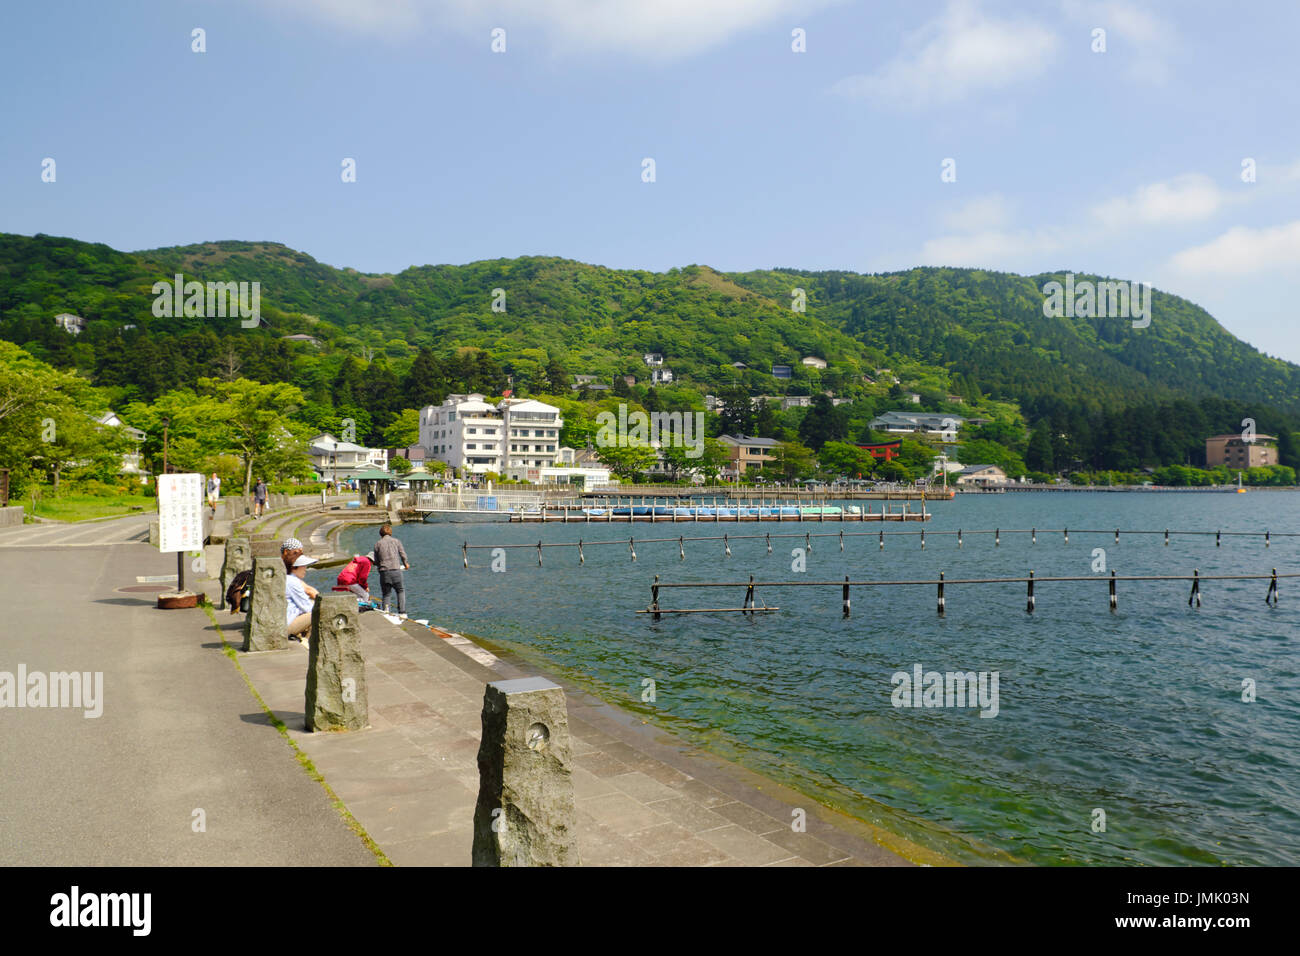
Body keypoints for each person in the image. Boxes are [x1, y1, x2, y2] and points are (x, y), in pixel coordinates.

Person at [374, 524, 410, 617]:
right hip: (396, 570)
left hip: (384, 572)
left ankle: (386, 612)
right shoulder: (396, 541)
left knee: (386, 594)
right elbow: (403, 554)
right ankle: (402, 612)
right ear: (390, 532)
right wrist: (406, 563)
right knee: (400, 591)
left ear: (380, 533)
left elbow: (376, 561)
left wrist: (380, 567)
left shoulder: (377, 544)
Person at [285, 554, 319, 642]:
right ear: (295, 567)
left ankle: (304, 640)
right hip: (285, 626)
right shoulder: (293, 582)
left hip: (283, 622)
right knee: (318, 613)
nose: (305, 569)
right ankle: (309, 644)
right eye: (303, 566)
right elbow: (308, 608)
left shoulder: (288, 578)